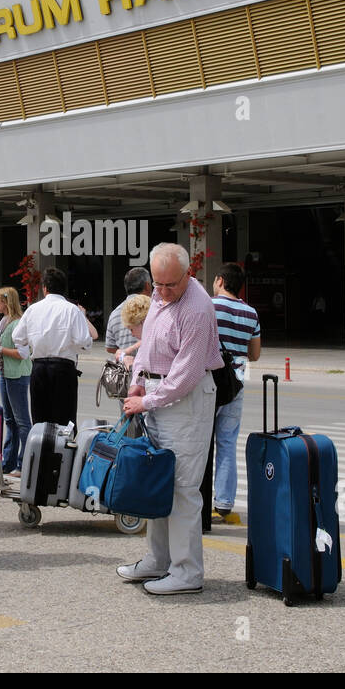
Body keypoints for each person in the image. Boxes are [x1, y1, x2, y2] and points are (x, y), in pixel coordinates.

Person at [118, 243, 222, 595]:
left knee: (182, 488)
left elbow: (186, 374)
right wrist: (136, 385)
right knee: (158, 481)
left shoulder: (196, 308)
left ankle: (187, 571)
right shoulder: (163, 298)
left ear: (188, 274)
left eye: (169, 286)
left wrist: (146, 400)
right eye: (157, 285)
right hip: (158, 397)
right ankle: (159, 560)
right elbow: (147, 346)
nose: (161, 293)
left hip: (185, 402)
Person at [11, 267, 97, 425]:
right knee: (65, 422)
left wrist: (33, 342)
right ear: (64, 289)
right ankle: (62, 450)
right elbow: (84, 343)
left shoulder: (32, 310)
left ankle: (41, 450)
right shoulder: (71, 310)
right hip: (63, 369)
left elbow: (17, 337)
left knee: (40, 422)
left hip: (39, 368)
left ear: (45, 289)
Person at [211, 262, 261, 525]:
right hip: (236, 384)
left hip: (208, 383)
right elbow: (254, 354)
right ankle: (224, 503)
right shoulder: (250, 313)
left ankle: (199, 499)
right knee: (227, 443)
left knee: (202, 443)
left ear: (220, 280)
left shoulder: (209, 306)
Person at [0, 286, 32, 477]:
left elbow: (22, 354)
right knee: (10, 420)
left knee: (22, 421)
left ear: (6, 302)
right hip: (6, 375)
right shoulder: (5, 322)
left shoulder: (18, 324)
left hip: (17, 376)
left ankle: (23, 464)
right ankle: (8, 463)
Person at [105, 267, 152, 356]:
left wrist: (125, 352)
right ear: (147, 286)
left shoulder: (114, 313)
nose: (132, 334)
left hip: (126, 367)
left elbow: (109, 347)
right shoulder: (154, 308)